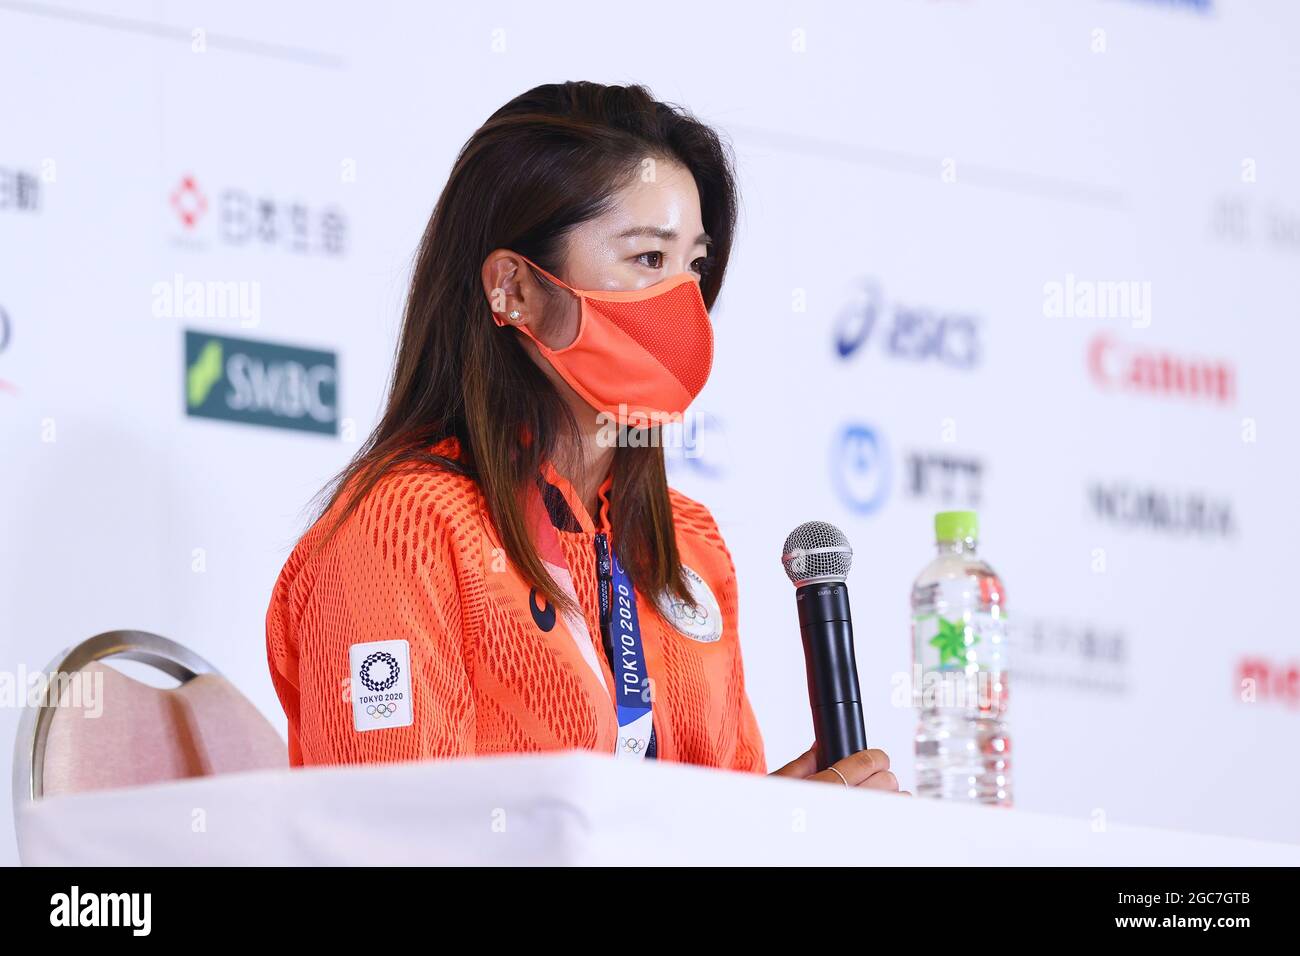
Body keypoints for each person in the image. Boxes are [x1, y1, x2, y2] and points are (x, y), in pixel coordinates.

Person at [265, 81, 903, 795]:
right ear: (514, 288)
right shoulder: (404, 529)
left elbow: (709, 829)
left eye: (693, 265)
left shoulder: (689, 544)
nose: (683, 306)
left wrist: (792, 824)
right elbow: (394, 837)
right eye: (647, 260)